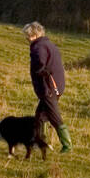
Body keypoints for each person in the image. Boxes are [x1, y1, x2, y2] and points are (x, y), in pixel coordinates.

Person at [23, 22, 72, 153]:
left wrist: (39, 72)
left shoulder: (38, 47)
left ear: (33, 35)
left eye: (27, 36)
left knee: (54, 116)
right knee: (40, 116)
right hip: (55, 85)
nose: (26, 39)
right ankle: (39, 142)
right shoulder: (49, 44)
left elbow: (40, 64)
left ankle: (67, 146)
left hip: (48, 88)